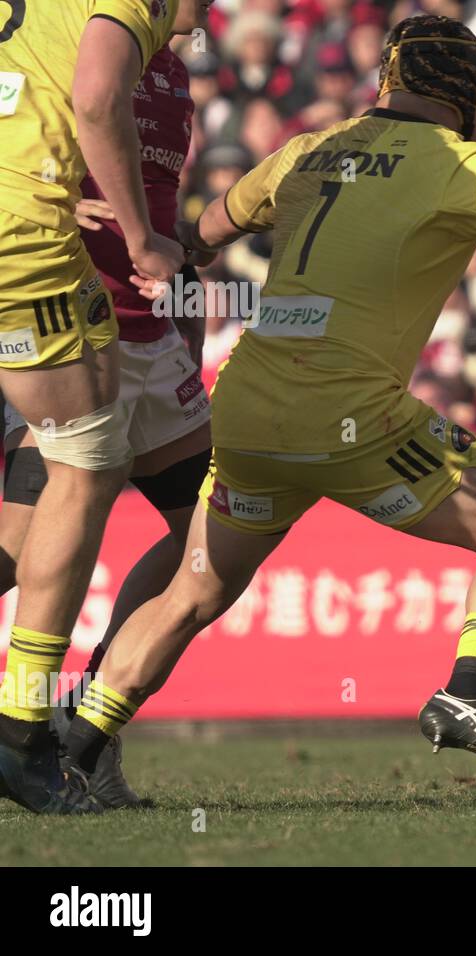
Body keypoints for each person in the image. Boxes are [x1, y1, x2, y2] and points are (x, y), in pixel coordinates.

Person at [48, 14, 476, 808]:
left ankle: (67, 754)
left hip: (250, 405)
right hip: (345, 410)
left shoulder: (311, 146)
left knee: (193, 592)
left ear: (387, 78)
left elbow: (204, 232)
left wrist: (140, 235)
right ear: (469, 92)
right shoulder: (460, 163)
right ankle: (469, 691)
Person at [0, 0, 215, 809]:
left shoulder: (168, 67)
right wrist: (92, 215)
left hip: (145, 336)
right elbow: (86, 112)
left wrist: (182, 311)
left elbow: (161, 202)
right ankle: (32, 731)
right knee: (37, 526)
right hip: (61, 297)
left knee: (218, 525)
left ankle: (85, 719)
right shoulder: (108, 29)